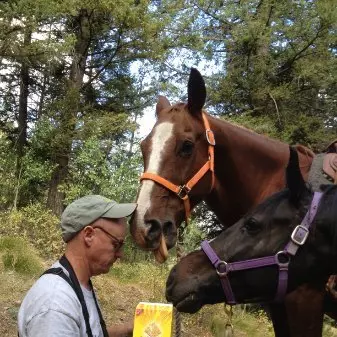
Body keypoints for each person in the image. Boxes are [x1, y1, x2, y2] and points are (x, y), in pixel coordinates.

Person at [18, 195, 137, 337]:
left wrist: (130, 328)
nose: (120, 254)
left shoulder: (78, 284)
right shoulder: (55, 305)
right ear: (88, 235)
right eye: (116, 244)